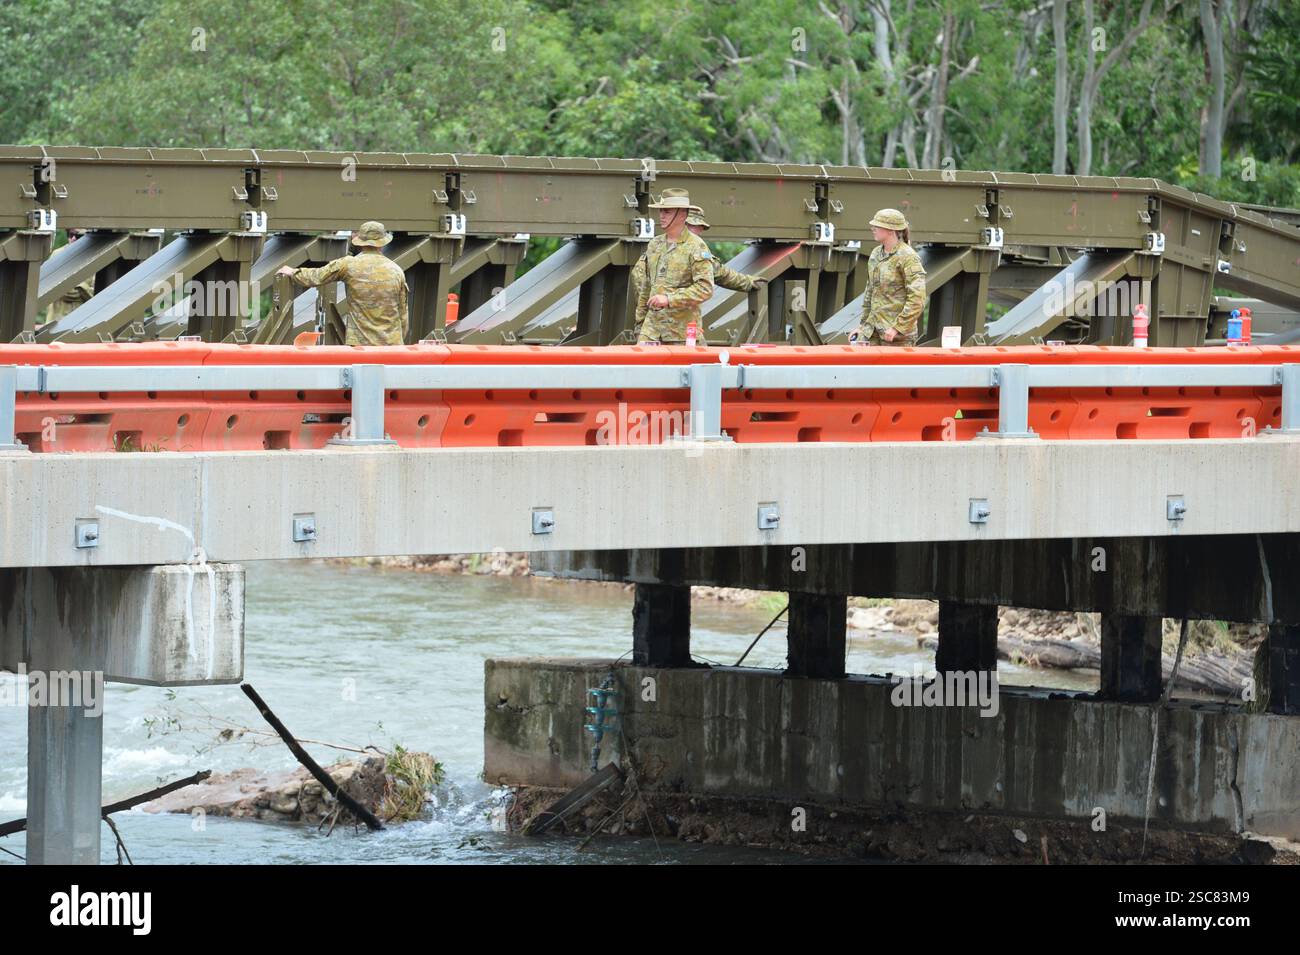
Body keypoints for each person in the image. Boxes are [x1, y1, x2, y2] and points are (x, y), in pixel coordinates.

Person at [277, 221, 408, 345]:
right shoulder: (396, 270)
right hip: (392, 346)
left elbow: (317, 276)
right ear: (383, 243)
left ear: (359, 242)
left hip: (360, 345)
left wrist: (293, 272)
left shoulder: (348, 264)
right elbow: (403, 315)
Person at [634, 188, 715, 343]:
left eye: (667, 212)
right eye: (661, 211)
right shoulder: (655, 244)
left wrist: (669, 299)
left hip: (681, 334)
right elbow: (646, 287)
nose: (662, 216)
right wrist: (640, 324)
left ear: (682, 214)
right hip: (651, 332)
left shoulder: (696, 247)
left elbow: (705, 288)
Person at [854, 208, 927, 346]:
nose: (873, 229)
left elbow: (917, 298)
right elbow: (870, 292)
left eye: (877, 226)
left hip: (897, 337)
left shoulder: (908, 257)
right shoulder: (876, 253)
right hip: (872, 332)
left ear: (890, 230)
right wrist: (862, 326)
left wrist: (897, 327)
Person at [685, 212, 768, 293]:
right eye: (697, 226)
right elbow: (718, 273)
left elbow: (717, 271)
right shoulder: (693, 247)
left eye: (702, 227)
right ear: (685, 225)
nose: (700, 230)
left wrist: (747, 282)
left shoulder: (694, 246)